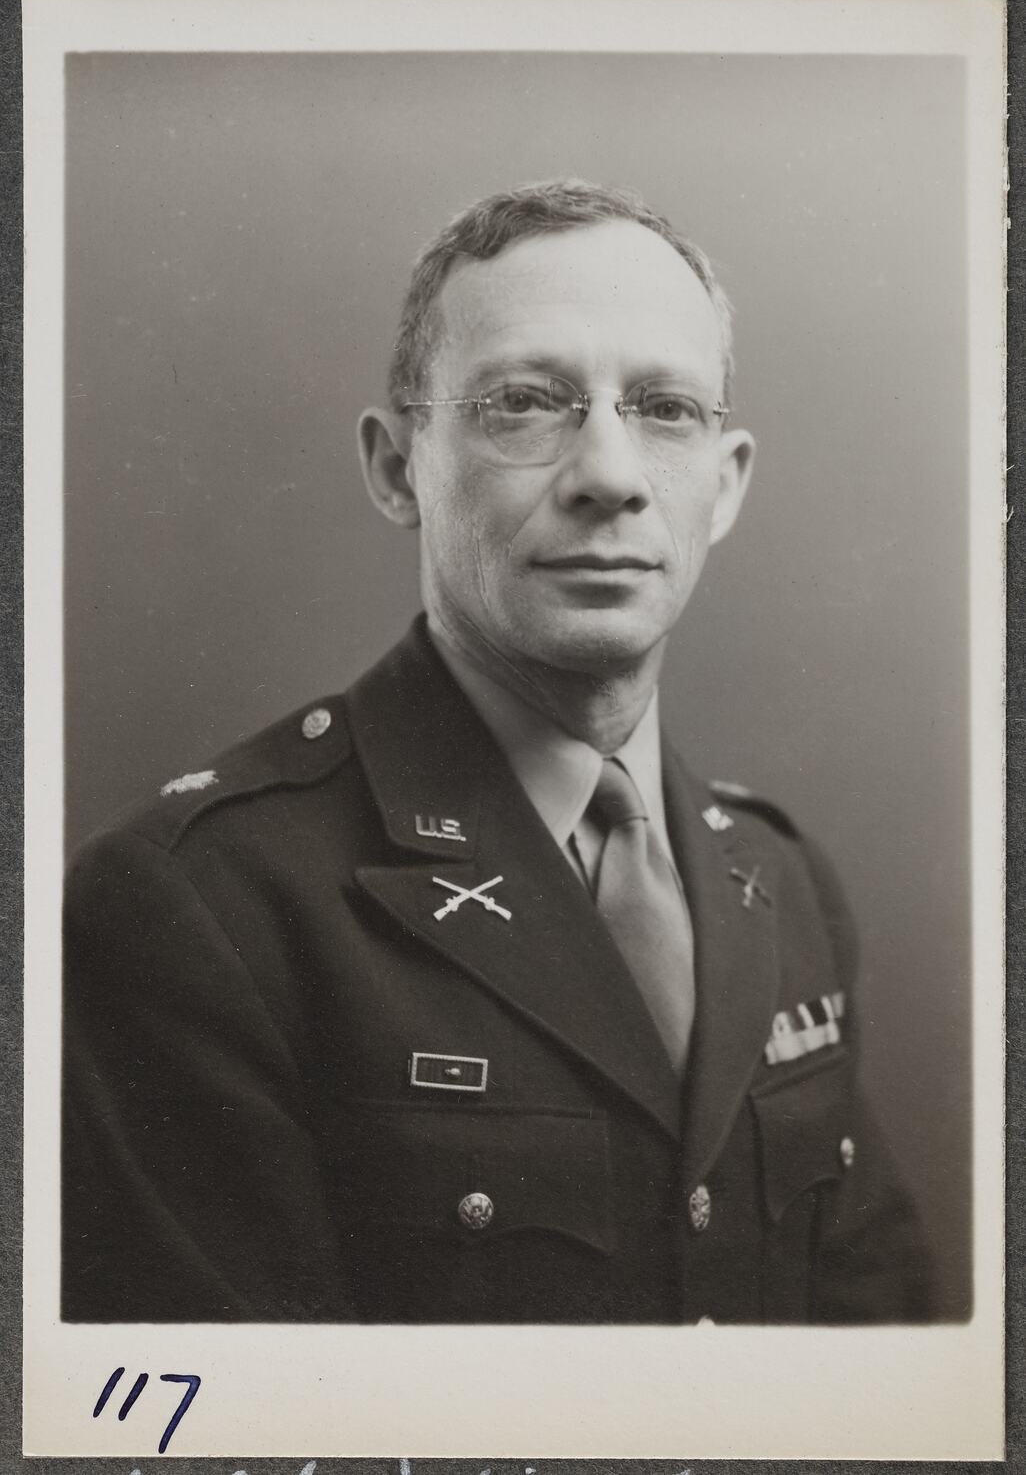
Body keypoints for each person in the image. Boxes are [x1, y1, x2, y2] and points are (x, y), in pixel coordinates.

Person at [62, 179, 932, 1324]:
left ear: (723, 488)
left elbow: (888, 1361)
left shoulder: (781, 882)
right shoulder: (203, 904)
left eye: (667, 409)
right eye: (527, 402)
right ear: (396, 468)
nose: (611, 477)